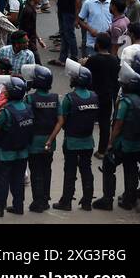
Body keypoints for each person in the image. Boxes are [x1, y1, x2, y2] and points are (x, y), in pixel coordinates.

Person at [43, 64, 99, 211]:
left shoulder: (69, 98)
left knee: (70, 172)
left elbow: (62, 121)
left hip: (72, 142)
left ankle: (66, 201)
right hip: (88, 142)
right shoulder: (94, 96)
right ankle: (87, 201)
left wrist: (50, 138)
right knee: (87, 171)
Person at [95, 64, 140, 211]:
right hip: (138, 144)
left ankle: (107, 199)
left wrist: (110, 144)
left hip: (123, 143)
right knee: (131, 169)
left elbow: (118, 125)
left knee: (108, 165)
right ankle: (129, 200)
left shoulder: (126, 101)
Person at [0, 76, 33, 216]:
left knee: (2, 180)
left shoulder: (7, 111)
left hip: (5, 152)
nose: (4, 90)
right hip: (22, 152)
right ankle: (18, 207)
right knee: (18, 180)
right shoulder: (28, 108)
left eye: (6, 88)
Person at [25, 64, 59, 213]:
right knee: (47, 170)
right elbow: (60, 120)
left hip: (34, 142)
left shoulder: (30, 99)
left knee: (36, 171)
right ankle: (45, 199)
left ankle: (38, 201)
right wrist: (51, 138)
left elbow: (25, 119)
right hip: (50, 142)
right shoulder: (55, 98)